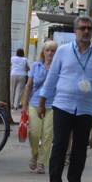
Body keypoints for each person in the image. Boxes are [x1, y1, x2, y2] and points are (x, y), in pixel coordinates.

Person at [37, 16, 92, 182]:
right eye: (82, 28)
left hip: (86, 109)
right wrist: (42, 100)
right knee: (59, 145)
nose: (86, 31)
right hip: (62, 105)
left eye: (89, 28)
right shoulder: (63, 52)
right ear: (75, 31)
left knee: (80, 149)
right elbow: (52, 78)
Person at [23, 39, 57, 173]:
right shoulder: (36, 66)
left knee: (48, 135)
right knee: (34, 133)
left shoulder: (59, 67)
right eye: (47, 50)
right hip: (35, 104)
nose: (50, 53)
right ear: (43, 52)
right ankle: (35, 154)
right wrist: (24, 104)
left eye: (53, 51)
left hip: (52, 105)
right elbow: (28, 86)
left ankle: (42, 163)